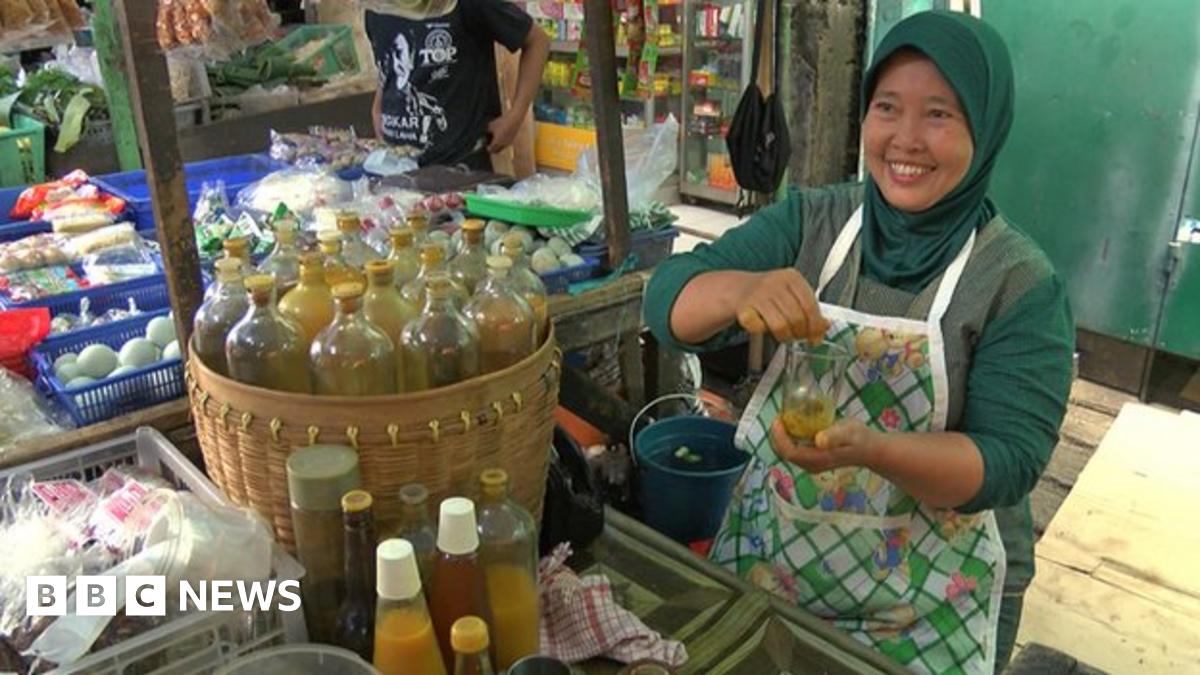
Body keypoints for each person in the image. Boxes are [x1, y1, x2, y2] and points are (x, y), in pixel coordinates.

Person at [644, 11, 1073, 674]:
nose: (906, 139)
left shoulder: (1017, 282)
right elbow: (668, 301)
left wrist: (872, 451)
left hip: (928, 603)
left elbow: (1007, 460)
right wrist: (737, 291)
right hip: (776, 561)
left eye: (939, 114)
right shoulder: (814, 221)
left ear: (985, 129)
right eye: (886, 108)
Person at [364, 0, 549, 169]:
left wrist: (515, 117)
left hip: (461, 165)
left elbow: (537, 42)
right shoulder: (376, 7)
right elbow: (387, 64)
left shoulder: (466, 5)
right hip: (396, 163)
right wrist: (378, 105)